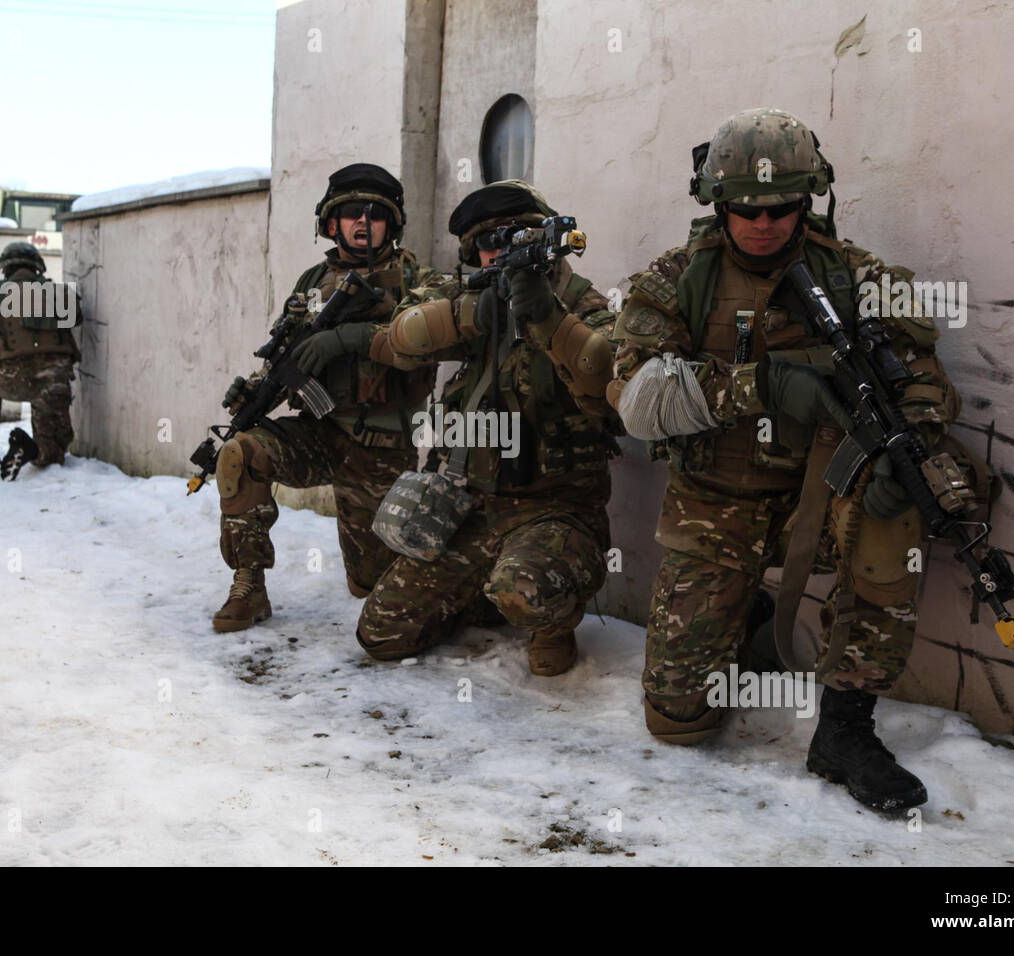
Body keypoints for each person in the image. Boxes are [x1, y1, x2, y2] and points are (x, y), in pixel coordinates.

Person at [609, 108, 962, 812]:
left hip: (823, 498)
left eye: (784, 207)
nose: (765, 223)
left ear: (811, 199)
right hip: (716, 499)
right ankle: (746, 616)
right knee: (678, 722)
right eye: (747, 209)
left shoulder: (863, 277)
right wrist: (760, 385)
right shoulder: (676, 280)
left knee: (892, 518)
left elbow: (926, 383)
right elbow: (635, 398)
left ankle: (846, 730)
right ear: (717, 203)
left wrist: (909, 441)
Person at [355, 180, 622, 677]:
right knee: (382, 634)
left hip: (554, 510)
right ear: (471, 252)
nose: (500, 250)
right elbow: (395, 339)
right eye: (488, 242)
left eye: (516, 236)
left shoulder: (583, 306)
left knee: (522, 595)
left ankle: (554, 620)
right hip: (468, 507)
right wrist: (470, 315)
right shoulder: (464, 293)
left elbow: (606, 378)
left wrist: (546, 318)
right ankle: (478, 592)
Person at [211, 163, 438, 632]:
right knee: (240, 453)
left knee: (368, 584)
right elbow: (288, 350)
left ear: (391, 223)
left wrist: (348, 338)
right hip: (319, 431)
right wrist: (257, 387)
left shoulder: (418, 278)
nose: (361, 222)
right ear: (330, 223)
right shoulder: (313, 281)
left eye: (373, 214)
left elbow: (423, 346)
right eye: (350, 212)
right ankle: (249, 584)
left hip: (379, 450)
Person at [0, 241, 81, 480]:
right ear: (37, 268)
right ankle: (34, 449)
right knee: (54, 450)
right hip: (53, 383)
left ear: (6, 270)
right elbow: (77, 318)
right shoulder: (59, 294)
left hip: (14, 382)